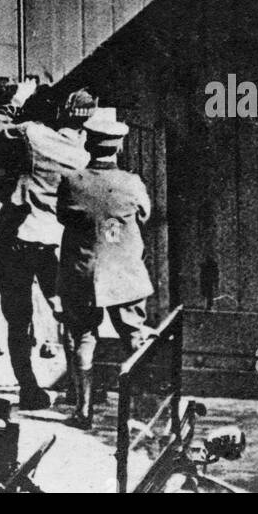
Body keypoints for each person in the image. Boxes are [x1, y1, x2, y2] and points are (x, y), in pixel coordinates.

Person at [0, 82, 95, 410]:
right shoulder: (83, 154)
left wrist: (14, 100)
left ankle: (29, 390)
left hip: (17, 241)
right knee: (67, 315)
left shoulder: (33, 135)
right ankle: (79, 391)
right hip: (55, 244)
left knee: (18, 321)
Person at [57, 112, 153, 428]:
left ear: (88, 143)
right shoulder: (132, 183)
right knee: (134, 338)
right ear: (119, 146)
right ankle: (140, 412)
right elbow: (144, 215)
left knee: (83, 339)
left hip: (83, 275)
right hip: (124, 275)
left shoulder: (72, 182)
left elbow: (64, 218)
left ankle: (83, 412)